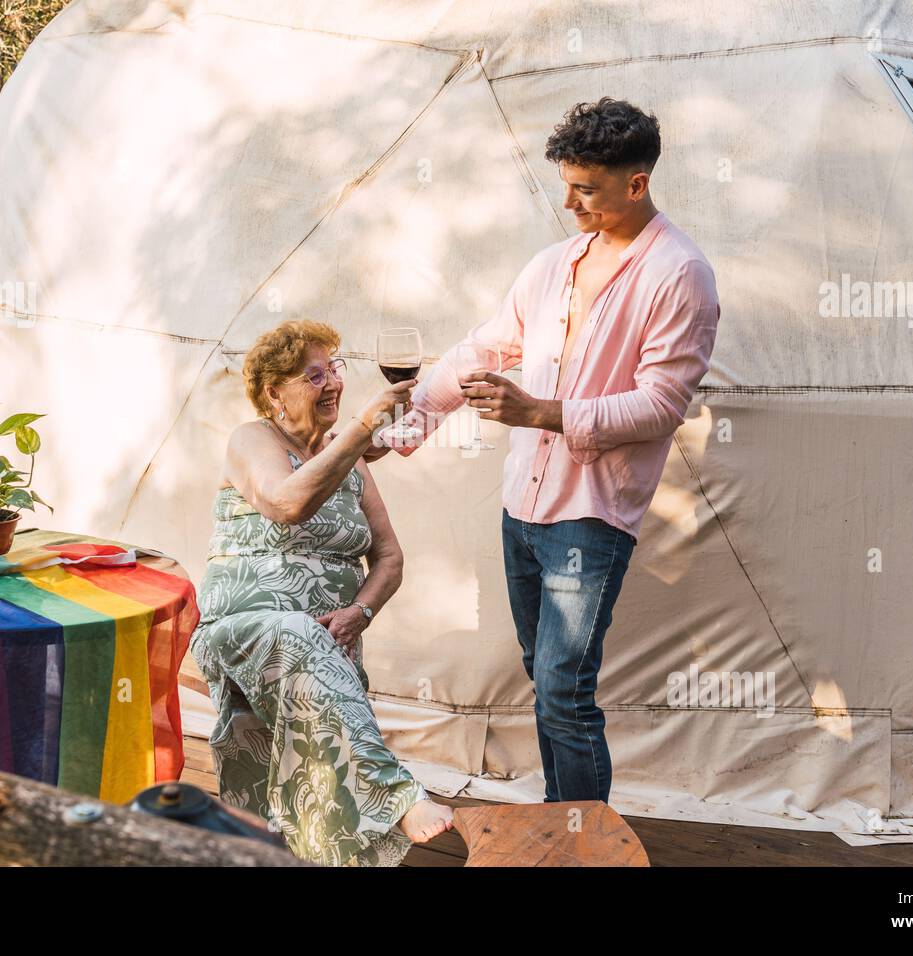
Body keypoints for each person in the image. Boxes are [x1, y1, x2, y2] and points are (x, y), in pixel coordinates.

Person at [373, 97, 722, 803]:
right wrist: (404, 428)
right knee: (546, 673)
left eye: (585, 189)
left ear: (637, 183)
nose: (568, 203)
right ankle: (562, 825)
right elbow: (484, 347)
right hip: (521, 506)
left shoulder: (680, 274)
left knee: (565, 689)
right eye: (566, 185)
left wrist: (541, 411)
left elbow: (661, 406)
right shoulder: (554, 264)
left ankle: (582, 834)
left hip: (589, 516)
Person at [189, 319, 453, 866]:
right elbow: (288, 503)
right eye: (314, 376)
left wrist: (362, 609)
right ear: (273, 392)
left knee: (309, 766)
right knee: (293, 631)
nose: (333, 382)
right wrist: (362, 428)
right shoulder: (253, 440)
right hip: (243, 628)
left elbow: (389, 557)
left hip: (325, 643)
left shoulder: (349, 461)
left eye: (334, 369)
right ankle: (392, 792)